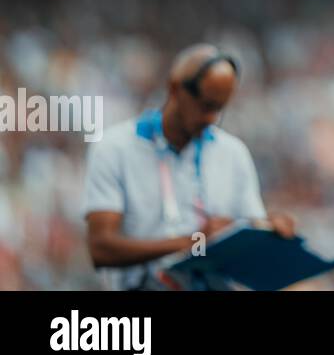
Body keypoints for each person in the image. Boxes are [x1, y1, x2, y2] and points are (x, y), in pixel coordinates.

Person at [82, 43, 295, 289]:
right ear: (175, 89)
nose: (212, 119)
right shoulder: (115, 148)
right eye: (206, 105)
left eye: (219, 109)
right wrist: (192, 243)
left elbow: (248, 237)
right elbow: (100, 248)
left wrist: (269, 231)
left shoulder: (233, 153)